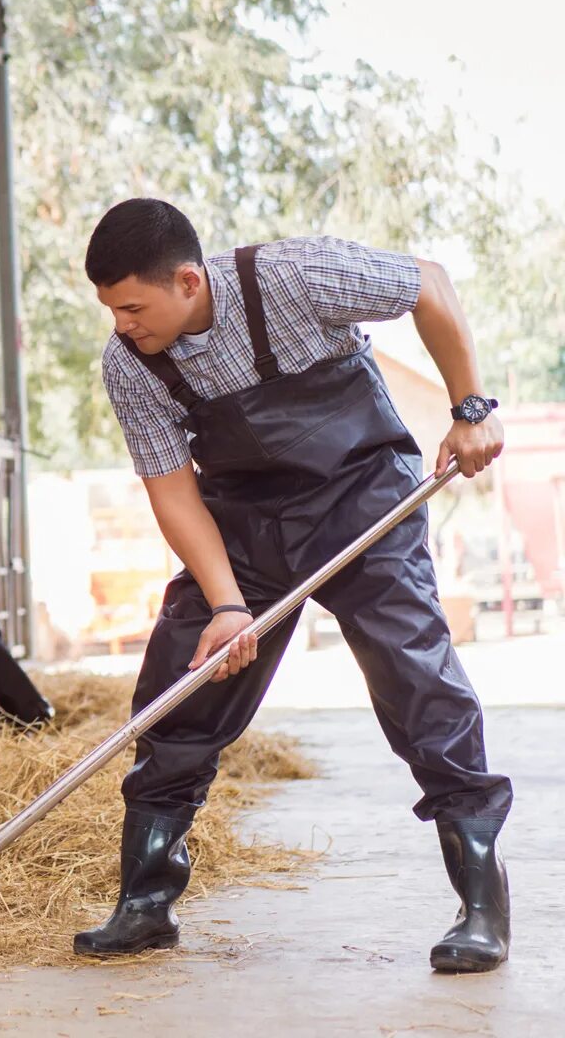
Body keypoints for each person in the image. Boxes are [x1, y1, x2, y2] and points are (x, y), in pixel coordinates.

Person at [76, 198, 513, 973]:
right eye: (110, 309)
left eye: (133, 307)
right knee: (183, 688)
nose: (121, 325)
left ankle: (481, 898)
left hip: (363, 501)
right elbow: (173, 488)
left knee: (417, 683)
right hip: (245, 528)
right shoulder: (130, 363)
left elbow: (431, 285)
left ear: (186, 281)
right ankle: (145, 901)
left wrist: (470, 408)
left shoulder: (293, 276)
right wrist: (226, 604)